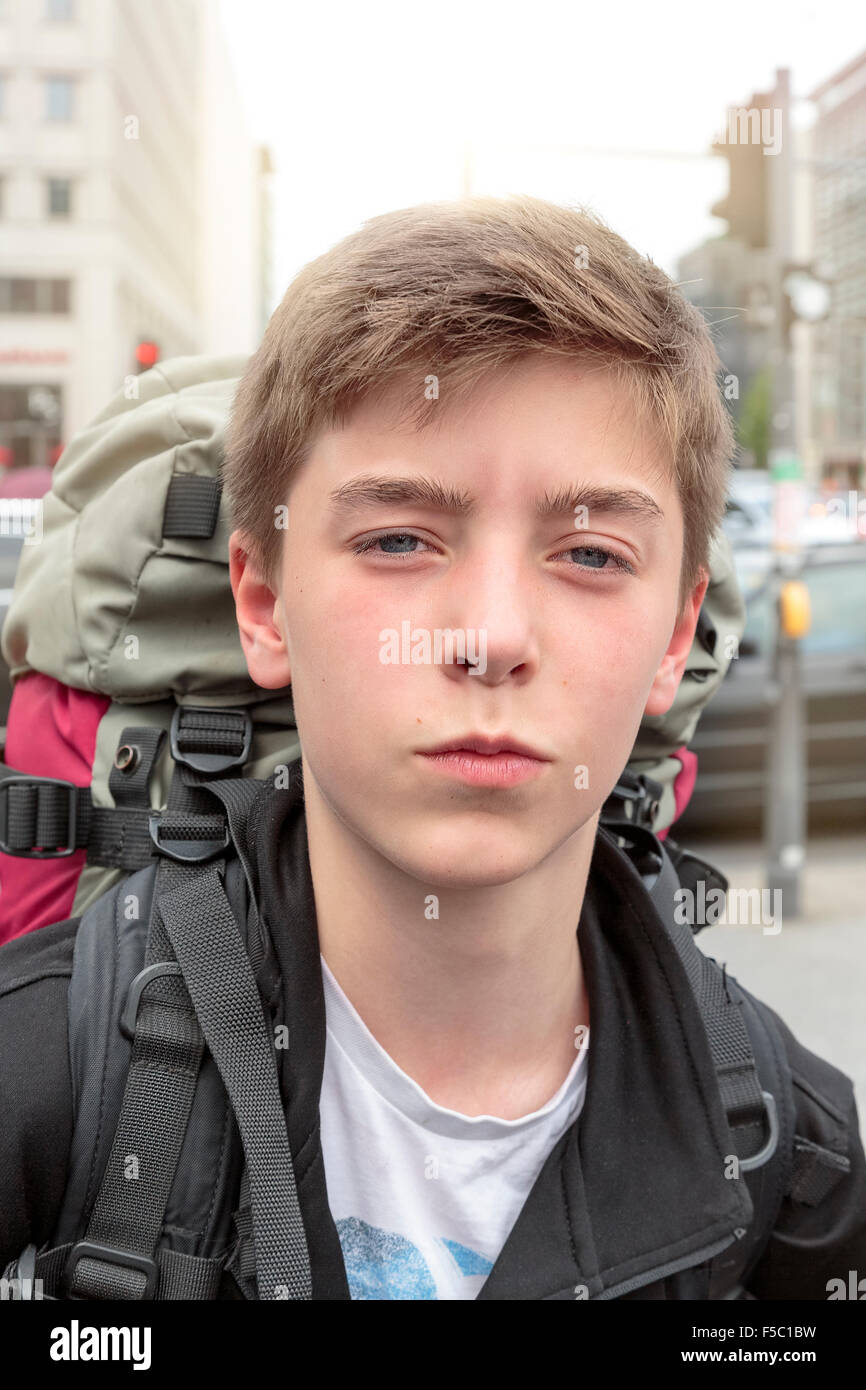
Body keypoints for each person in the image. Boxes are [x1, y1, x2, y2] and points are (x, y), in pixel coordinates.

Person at [1, 195, 864, 1300]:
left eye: (591, 553)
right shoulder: (47, 1072)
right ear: (263, 600)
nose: (488, 636)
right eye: (398, 538)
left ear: (675, 635)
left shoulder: (792, 1154)